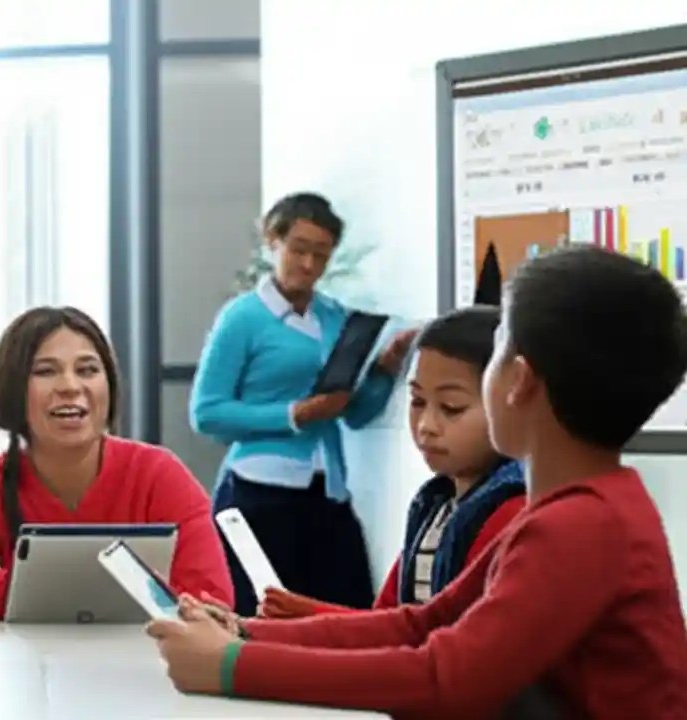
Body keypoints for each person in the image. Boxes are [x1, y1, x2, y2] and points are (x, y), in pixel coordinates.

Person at [148, 245, 687, 718]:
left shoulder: (581, 525)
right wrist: (245, 634)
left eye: (497, 348)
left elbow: (446, 678)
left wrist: (232, 667)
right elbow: (421, 624)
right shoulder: (577, 509)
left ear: (518, 380)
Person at [0, 306, 233, 620]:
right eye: (45, 371)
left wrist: (43, 593)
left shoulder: (158, 473)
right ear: (11, 388)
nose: (69, 386)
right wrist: (89, 589)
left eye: (87, 370)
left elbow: (211, 598)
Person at [190, 192, 417, 614]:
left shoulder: (335, 317)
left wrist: (384, 370)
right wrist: (294, 415)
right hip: (259, 490)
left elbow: (356, 413)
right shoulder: (243, 318)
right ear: (272, 243)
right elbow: (207, 412)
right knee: (259, 614)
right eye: (299, 250)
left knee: (347, 610)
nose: (309, 265)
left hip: (326, 489)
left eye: (321, 255)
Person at [262, 306, 526, 619]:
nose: (426, 425)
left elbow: (449, 646)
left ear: (511, 401)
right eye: (417, 401)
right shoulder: (434, 507)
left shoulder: (512, 515)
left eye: (451, 407)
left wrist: (309, 619)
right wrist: (302, 616)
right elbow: (390, 624)